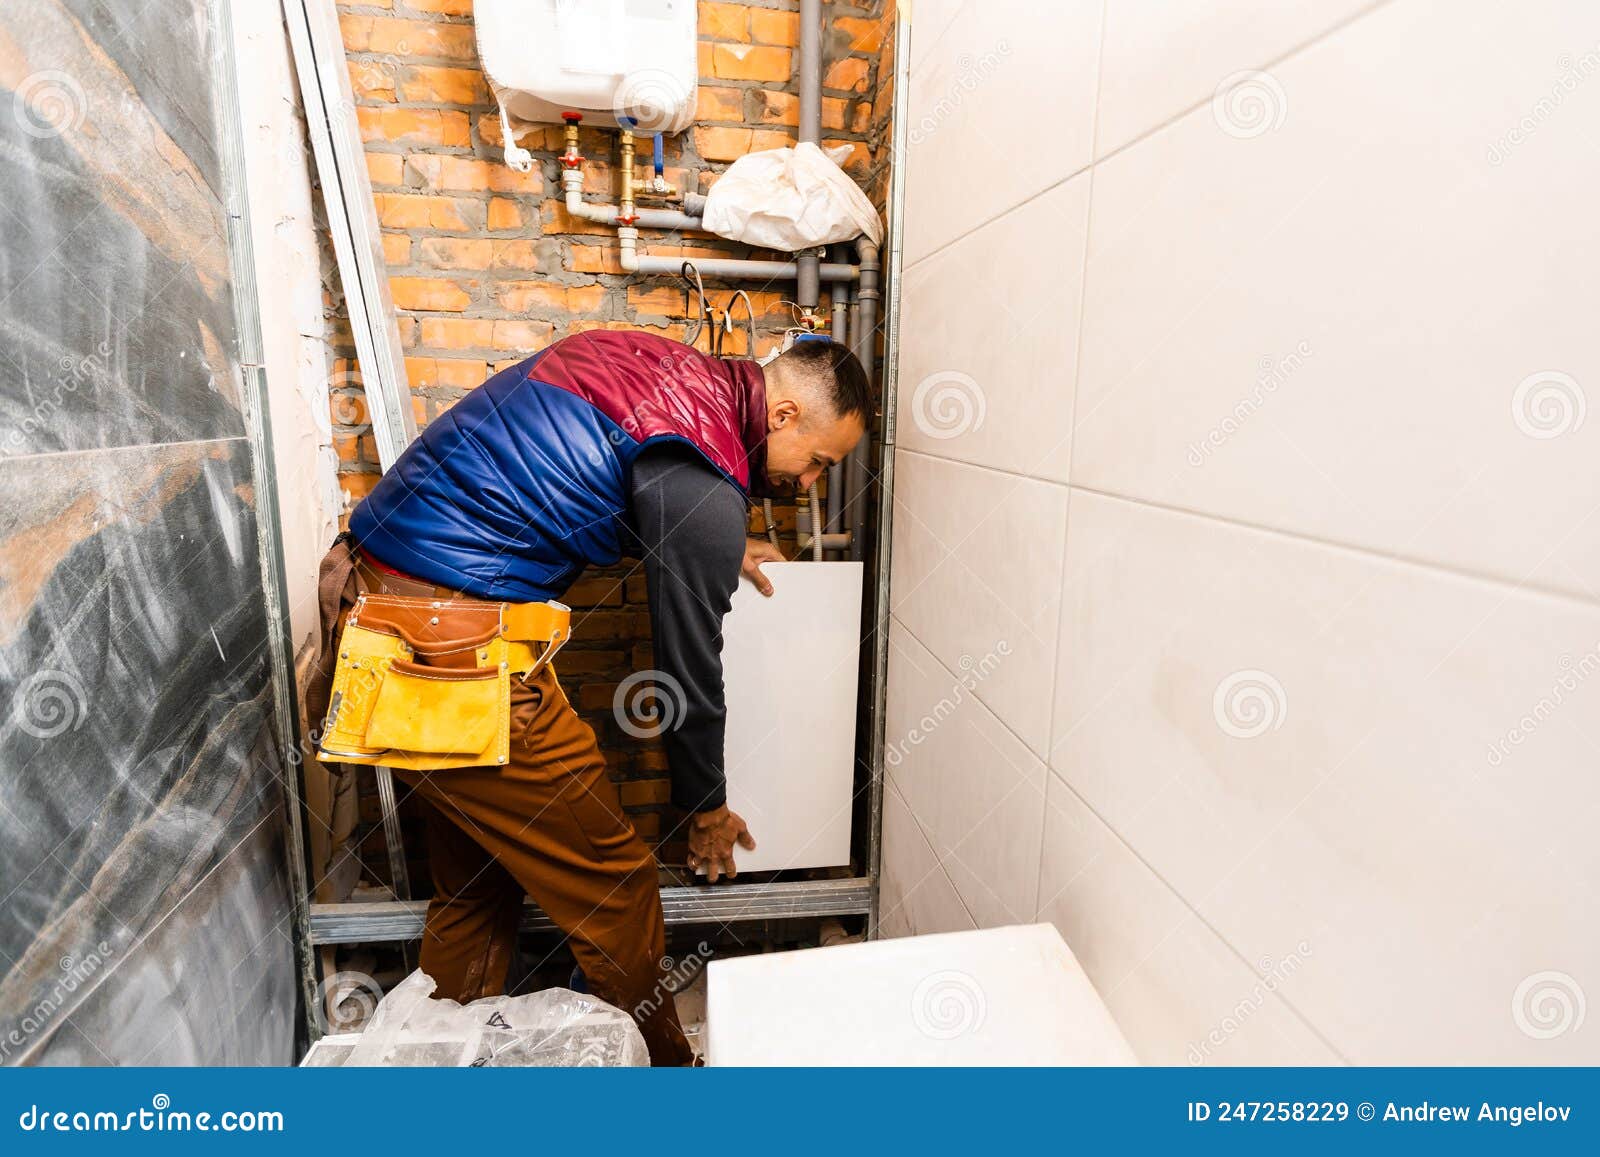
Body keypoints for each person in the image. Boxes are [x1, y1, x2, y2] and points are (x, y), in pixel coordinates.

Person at [307, 328, 869, 1065]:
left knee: (481, 878)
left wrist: (716, 544)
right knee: (618, 878)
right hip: (449, 650)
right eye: (818, 461)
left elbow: (624, 469)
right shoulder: (703, 473)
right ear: (786, 414)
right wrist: (704, 811)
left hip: (385, 606)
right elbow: (687, 674)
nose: (810, 482)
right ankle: (670, 1078)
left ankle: (435, 1063)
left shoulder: (677, 376)